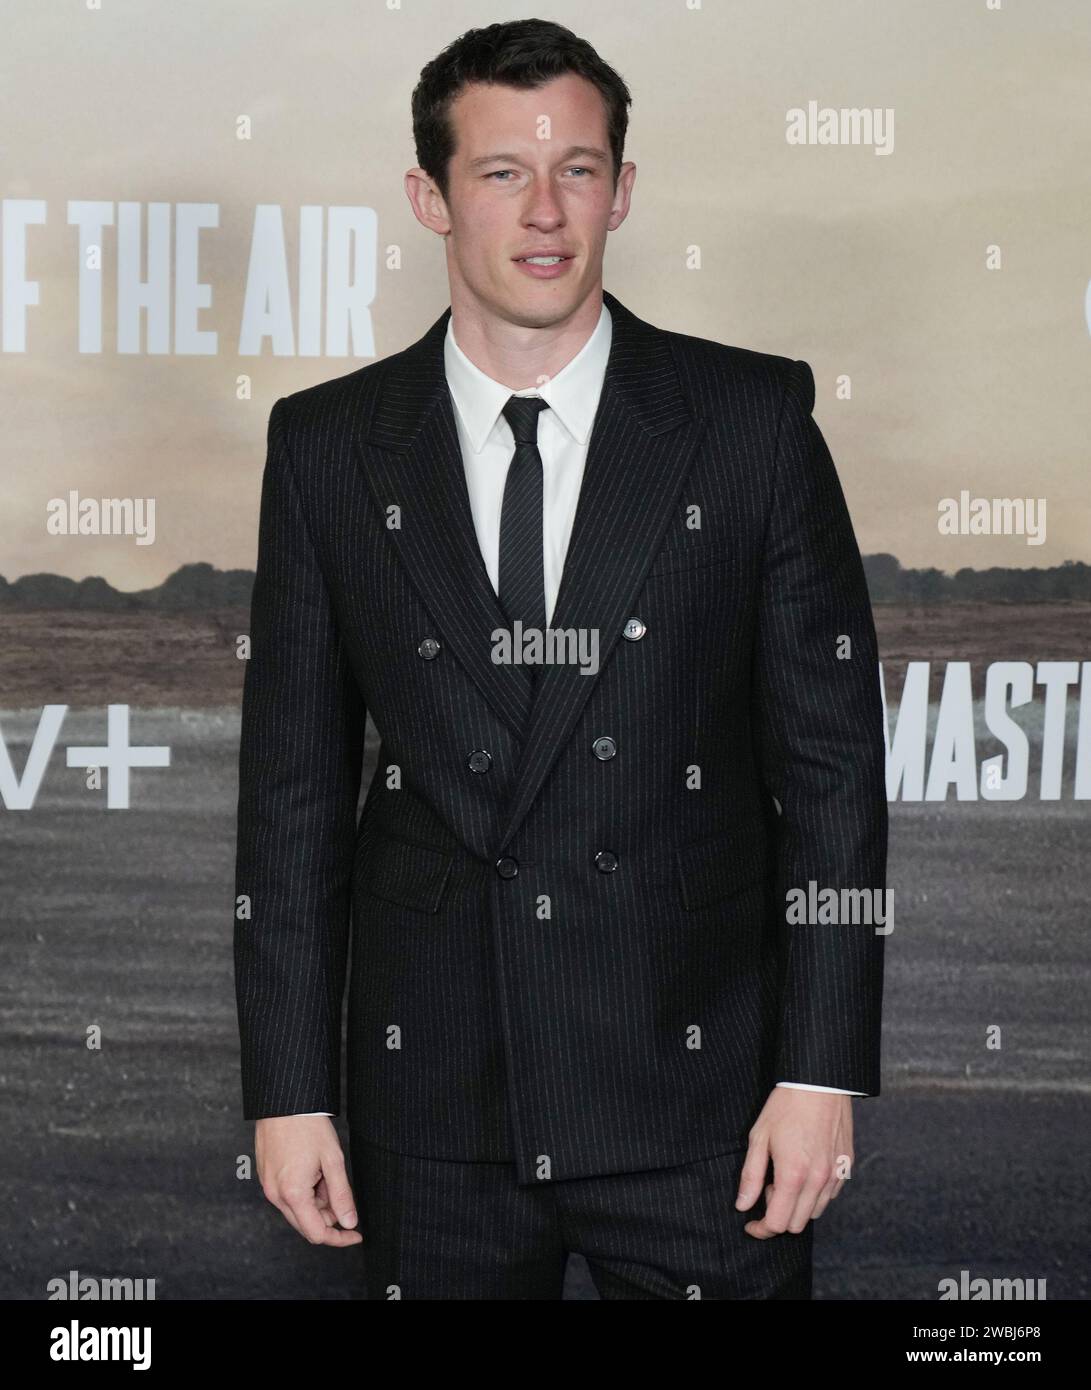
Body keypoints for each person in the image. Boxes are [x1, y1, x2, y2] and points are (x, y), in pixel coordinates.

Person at [234, 17, 887, 1300]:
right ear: (428, 197)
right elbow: (293, 796)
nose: (545, 211)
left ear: (622, 191)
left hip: (702, 1103)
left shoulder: (749, 422)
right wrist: (291, 1088)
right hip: (436, 1106)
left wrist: (818, 1072)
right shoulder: (325, 447)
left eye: (577, 169)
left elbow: (830, 774)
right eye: (499, 172)